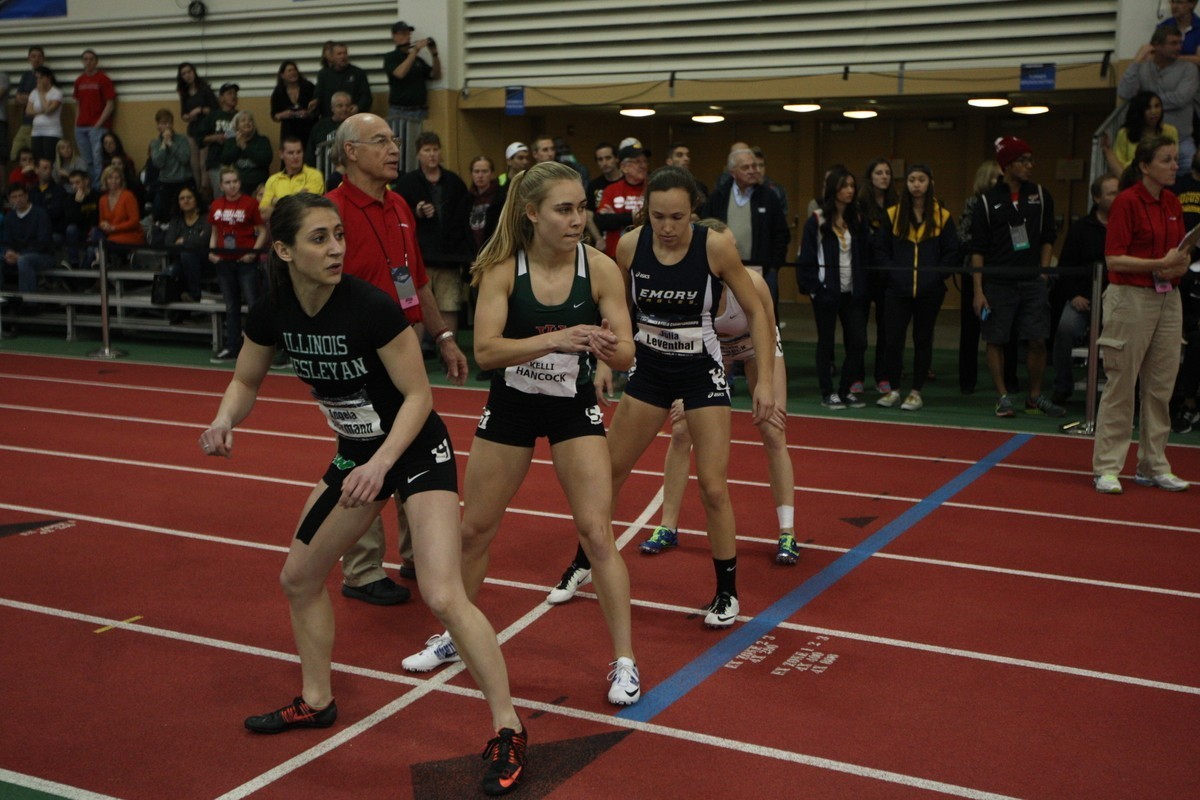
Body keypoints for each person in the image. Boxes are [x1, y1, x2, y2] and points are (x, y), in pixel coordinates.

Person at [197, 193, 526, 795]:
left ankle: (509, 727)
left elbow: (420, 397)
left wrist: (381, 464)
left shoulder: (370, 307)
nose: (336, 249)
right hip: (358, 455)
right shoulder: (273, 311)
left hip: (414, 450)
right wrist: (224, 419)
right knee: (299, 578)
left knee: (443, 593)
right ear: (283, 250)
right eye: (319, 238)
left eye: (339, 236)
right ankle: (317, 699)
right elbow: (245, 379)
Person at [401, 160, 642, 708]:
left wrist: (610, 349)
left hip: (572, 409)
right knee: (473, 531)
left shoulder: (600, 269)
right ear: (532, 212)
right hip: (511, 407)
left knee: (596, 533)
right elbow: (486, 351)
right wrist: (557, 338)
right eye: (564, 209)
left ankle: (626, 660)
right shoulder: (503, 269)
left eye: (581, 208)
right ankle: (454, 636)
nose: (577, 219)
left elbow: (627, 352)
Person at [554, 166, 779, 628]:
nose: (668, 227)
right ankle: (583, 561)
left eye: (677, 217)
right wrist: (604, 360)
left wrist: (766, 382)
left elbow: (757, 310)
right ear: (646, 212)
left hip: (701, 373)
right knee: (608, 472)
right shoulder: (631, 246)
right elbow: (612, 307)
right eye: (658, 217)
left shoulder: (714, 247)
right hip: (651, 371)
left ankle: (727, 592)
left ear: (693, 211)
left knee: (712, 486)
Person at [326, 112, 468, 601]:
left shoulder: (401, 204)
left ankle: (417, 556)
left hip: (404, 345)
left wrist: (443, 335)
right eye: (381, 141)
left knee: (413, 446)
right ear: (351, 152)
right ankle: (362, 570)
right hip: (357, 353)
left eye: (393, 140)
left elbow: (416, 279)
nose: (394, 149)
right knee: (363, 452)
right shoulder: (330, 212)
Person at [634, 218, 797, 564]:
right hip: (710, 352)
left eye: (734, 248)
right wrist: (685, 392)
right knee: (681, 429)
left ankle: (787, 531)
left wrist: (764, 386)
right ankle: (667, 526)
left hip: (756, 347)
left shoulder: (753, 283)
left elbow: (767, 334)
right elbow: (687, 341)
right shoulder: (693, 284)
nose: (732, 254)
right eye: (727, 248)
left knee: (772, 428)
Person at [1092, 135, 1191, 494]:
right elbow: (1114, 259)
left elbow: (1179, 252)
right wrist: (1158, 264)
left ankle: (1153, 464)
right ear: (1145, 166)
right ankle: (1107, 467)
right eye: (1166, 160)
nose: (1175, 166)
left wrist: (1178, 265)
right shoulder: (1126, 202)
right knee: (1121, 385)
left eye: (1175, 159)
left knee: (1161, 386)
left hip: (1168, 298)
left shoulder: (1173, 202)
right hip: (1130, 298)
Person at [970, 136, 1064, 419]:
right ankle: (1003, 397)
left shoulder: (1041, 195)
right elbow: (978, 249)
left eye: (1030, 160)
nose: (1029, 165)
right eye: (1023, 160)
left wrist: (1043, 272)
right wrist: (978, 290)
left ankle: (1034, 396)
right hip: (998, 283)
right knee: (996, 339)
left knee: (1037, 339)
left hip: (1032, 281)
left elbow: (1048, 237)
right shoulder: (986, 201)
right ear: (1007, 164)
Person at [873, 164, 958, 411]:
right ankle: (893, 390)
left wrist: (936, 277)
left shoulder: (942, 217)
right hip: (897, 290)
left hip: (929, 291)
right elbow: (880, 250)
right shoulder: (892, 215)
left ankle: (916, 391)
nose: (916, 185)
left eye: (921, 179)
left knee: (923, 339)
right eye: (912, 180)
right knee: (893, 340)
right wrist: (892, 275)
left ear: (930, 183)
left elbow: (952, 252)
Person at [797, 166, 871, 409]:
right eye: (844, 186)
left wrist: (863, 285)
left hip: (852, 292)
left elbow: (865, 254)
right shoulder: (817, 220)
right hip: (827, 292)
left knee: (858, 342)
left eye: (852, 186)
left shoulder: (857, 219)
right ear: (833, 189)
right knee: (826, 343)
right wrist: (815, 288)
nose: (850, 190)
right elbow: (806, 257)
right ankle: (827, 392)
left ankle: (845, 389)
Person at [395, 131, 473, 334]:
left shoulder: (455, 182)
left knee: (450, 306)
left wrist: (467, 255)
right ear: (418, 154)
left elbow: (465, 219)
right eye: (427, 150)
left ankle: (449, 351)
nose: (432, 154)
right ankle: (415, 353)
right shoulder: (406, 183)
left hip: (449, 257)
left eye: (435, 149)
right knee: (414, 308)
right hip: (416, 258)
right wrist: (416, 211)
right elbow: (397, 215)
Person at [1050, 174, 1118, 404]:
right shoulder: (1080, 229)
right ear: (1097, 198)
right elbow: (1066, 266)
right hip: (1084, 298)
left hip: (1118, 299)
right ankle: (1062, 385)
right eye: (1111, 193)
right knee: (1065, 329)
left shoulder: (1127, 226)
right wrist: (1074, 295)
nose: (1117, 197)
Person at [701, 147, 790, 322]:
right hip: (724, 270)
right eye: (745, 167)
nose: (752, 171)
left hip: (763, 270)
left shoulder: (769, 197)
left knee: (765, 317)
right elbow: (706, 230)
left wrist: (773, 266)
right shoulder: (719, 196)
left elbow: (781, 234)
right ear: (732, 172)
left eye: (754, 166)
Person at [1117, 25, 1197, 171]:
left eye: (1180, 43)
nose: (1179, 47)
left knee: (1193, 170)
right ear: (1157, 46)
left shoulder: (1188, 69)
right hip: (1146, 140)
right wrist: (1137, 61)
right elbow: (1124, 92)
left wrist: (1144, 101)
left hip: (1181, 140)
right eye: (1173, 43)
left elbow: (1180, 98)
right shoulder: (1143, 67)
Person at [208, 166, 267, 362]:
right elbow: (214, 232)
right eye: (228, 182)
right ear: (221, 185)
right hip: (224, 261)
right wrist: (211, 252)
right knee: (231, 306)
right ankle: (232, 346)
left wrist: (253, 253)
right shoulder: (216, 205)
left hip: (246, 262)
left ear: (240, 183)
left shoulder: (250, 203)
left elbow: (262, 231)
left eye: (235, 181)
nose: (232, 185)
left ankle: (258, 348)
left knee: (253, 304)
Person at [957, 160, 1002, 395]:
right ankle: (967, 380)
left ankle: (1007, 379)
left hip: (1002, 272)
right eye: (995, 177)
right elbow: (962, 235)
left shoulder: (1008, 203)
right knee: (970, 329)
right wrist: (983, 248)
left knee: (1002, 327)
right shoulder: (973, 203)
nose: (999, 181)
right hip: (974, 271)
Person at [858, 157, 897, 394]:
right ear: (870, 177)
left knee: (886, 329)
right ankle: (857, 376)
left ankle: (883, 375)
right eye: (879, 172)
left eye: (887, 173)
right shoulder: (860, 204)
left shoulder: (896, 205)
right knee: (859, 330)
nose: (884, 177)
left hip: (887, 275)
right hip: (864, 273)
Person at [1103, 92, 1179, 177]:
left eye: (1157, 106)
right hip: (1131, 178)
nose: (1154, 111)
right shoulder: (1124, 133)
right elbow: (1119, 165)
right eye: (1148, 108)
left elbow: (1173, 162)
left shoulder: (1170, 131)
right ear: (1139, 111)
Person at [2, 183, 55, 300]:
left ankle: (28, 302)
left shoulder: (40, 214)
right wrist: (8, 252)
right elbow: (6, 241)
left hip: (43, 256)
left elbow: (43, 243)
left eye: (20, 195)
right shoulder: (9, 217)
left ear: (26, 196)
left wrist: (19, 255)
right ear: (10, 200)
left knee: (23, 260)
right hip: (18, 255)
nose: (18, 199)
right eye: (14, 197)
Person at [595, 143, 649, 258]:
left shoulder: (652, 188)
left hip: (646, 254)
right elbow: (602, 221)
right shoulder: (611, 190)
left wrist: (616, 217)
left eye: (645, 161)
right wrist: (636, 216)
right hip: (616, 256)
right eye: (637, 162)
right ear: (624, 167)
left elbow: (652, 218)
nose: (643, 166)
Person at [73, 49, 117, 184]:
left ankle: (98, 186)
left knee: (98, 159)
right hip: (81, 127)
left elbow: (110, 104)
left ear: (96, 61)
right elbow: (78, 104)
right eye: (85, 59)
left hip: (97, 127)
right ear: (82, 62)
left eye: (91, 59)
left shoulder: (103, 79)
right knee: (87, 160)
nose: (88, 62)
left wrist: (98, 124)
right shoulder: (79, 81)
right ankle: (91, 185)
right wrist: (76, 123)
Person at [260, 136, 325, 221]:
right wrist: (297, 196)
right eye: (291, 153)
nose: (296, 156)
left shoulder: (314, 175)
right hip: (280, 227)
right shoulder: (272, 180)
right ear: (281, 154)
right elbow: (264, 213)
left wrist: (274, 201)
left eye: (299, 152)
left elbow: (305, 207)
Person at [164, 186, 210, 301]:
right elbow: (169, 245)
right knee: (169, 272)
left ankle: (194, 294)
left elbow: (204, 242)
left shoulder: (206, 218)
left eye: (189, 197)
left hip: (205, 262)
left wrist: (183, 241)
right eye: (182, 198)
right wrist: (194, 240)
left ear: (196, 200)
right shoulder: (176, 221)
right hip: (181, 262)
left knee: (187, 253)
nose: (186, 200)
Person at [176, 62, 217, 189]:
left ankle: (205, 189)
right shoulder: (184, 92)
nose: (187, 75)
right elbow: (183, 114)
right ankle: (198, 190)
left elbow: (215, 109)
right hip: (192, 129)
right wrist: (187, 117)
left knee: (203, 163)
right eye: (184, 74)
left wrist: (200, 110)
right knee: (194, 164)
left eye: (189, 72)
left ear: (194, 72)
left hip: (205, 129)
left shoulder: (205, 89)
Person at [149, 109, 193, 224]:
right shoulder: (155, 143)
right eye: (164, 123)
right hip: (166, 183)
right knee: (167, 215)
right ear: (158, 126)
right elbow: (158, 163)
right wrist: (164, 145)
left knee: (186, 214)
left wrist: (171, 144)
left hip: (183, 180)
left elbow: (185, 158)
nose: (167, 126)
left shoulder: (182, 139)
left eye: (169, 122)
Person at [198, 81, 239, 197]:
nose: (233, 96)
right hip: (216, 163)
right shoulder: (213, 116)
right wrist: (214, 138)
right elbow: (199, 139)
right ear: (221, 98)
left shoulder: (241, 116)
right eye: (229, 93)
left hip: (236, 163)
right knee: (220, 195)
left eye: (235, 93)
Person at [269, 60, 318, 153]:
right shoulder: (278, 92)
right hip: (289, 131)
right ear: (282, 75)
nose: (293, 72)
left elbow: (317, 109)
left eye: (295, 70)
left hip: (308, 130)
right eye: (289, 70)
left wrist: (308, 113)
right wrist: (282, 115)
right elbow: (274, 115)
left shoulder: (308, 87)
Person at [221, 110, 272, 196]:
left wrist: (245, 148)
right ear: (237, 126)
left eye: (250, 120)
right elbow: (225, 160)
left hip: (259, 186)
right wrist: (238, 146)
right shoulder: (231, 142)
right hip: (238, 187)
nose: (247, 123)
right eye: (243, 120)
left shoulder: (263, 140)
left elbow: (265, 160)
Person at [315, 42, 372, 119]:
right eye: (339, 54)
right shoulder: (323, 75)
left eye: (345, 53)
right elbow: (318, 97)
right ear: (332, 57)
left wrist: (358, 107)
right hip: (330, 119)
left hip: (353, 117)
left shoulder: (358, 73)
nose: (343, 56)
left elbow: (366, 97)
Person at [96, 164, 145, 250]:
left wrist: (114, 228)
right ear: (105, 180)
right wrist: (104, 226)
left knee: (103, 245)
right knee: (95, 237)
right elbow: (101, 221)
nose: (113, 181)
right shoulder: (102, 200)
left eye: (117, 178)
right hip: (111, 235)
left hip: (130, 235)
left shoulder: (128, 196)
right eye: (110, 178)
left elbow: (134, 222)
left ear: (121, 180)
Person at [10, 46, 44, 163]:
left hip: (39, 123)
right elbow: (18, 98)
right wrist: (31, 98)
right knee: (15, 153)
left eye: (39, 56)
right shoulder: (26, 75)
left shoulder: (47, 76)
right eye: (33, 56)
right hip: (25, 121)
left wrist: (28, 97)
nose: (36, 59)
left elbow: (43, 99)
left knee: (33, 156)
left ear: (43, 59)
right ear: (29, 58)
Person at [467, 155, 506, 254]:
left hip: (495, 251)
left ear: (491, 174)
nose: (480, 175)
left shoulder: (501, 197)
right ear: (471, 174)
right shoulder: (466, 199)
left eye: (484, 171)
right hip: (471, 253)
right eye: (476, 171)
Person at [63, 169, 99, 269]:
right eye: (72, 184)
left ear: (86, 181)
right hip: (79, 232)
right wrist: (77, 204)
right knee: (71, 229)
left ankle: (83, 271)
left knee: (91, 249)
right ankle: (74, 262)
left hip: (94, 232)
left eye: (77, 182)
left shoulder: (97, 196)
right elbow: (70, 220)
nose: (74, 186)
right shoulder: (70, 199)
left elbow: (100, 217)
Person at [306, 91, 352, 170]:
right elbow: (310, 154)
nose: (344, 109)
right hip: (323, 171)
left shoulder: (355, 125)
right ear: (332, 108)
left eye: (347, 106)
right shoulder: (320, 126)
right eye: (340, 106)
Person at [26, 66, 62, 163]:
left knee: (49, 160)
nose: (38, 80)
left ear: (48, 78)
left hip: (52, 132)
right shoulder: (34, 92)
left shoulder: (56, 92)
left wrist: (41, 93)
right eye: (37, 78)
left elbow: (48, 110)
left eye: (40, 78)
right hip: (36, 131)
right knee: (37, 160)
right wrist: (42, 111)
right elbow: (28, 111)